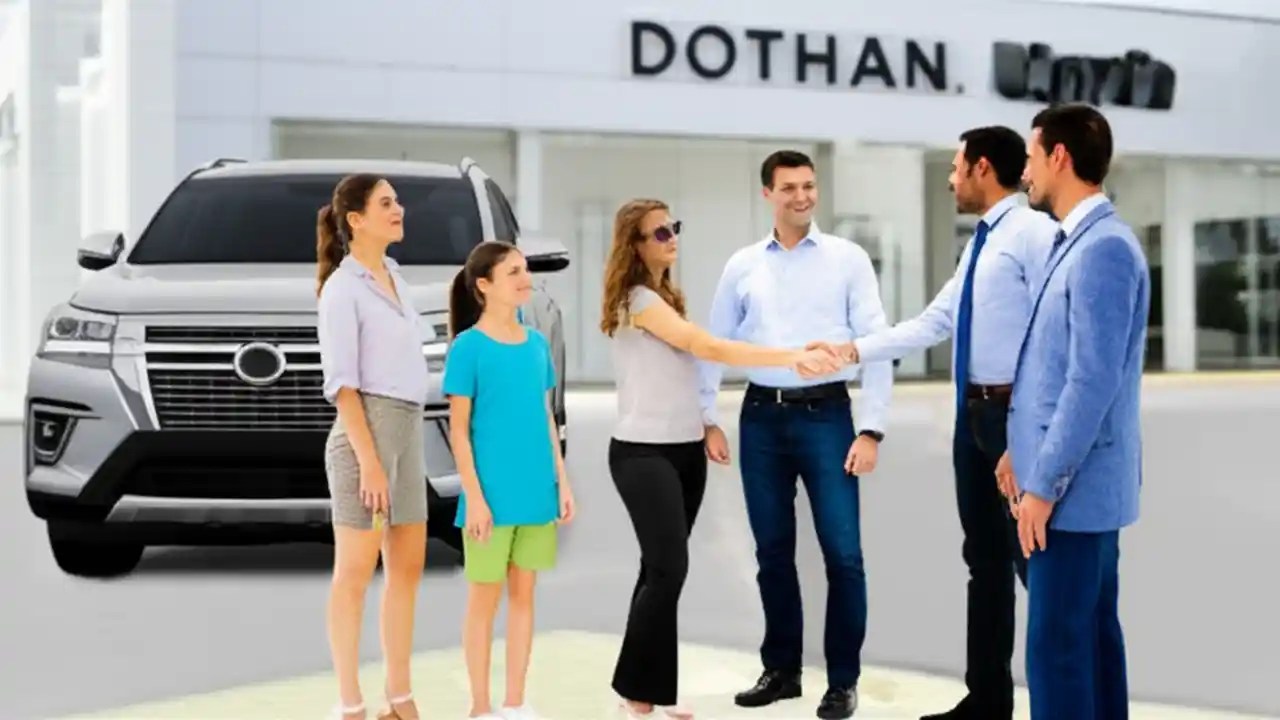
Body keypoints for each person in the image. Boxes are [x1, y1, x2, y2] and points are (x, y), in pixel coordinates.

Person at [835, 127, 1059, 720]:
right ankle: (986, 702)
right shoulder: (982, 243)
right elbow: (936, 322)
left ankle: (1065, 703)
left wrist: (1029, 428)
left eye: (957, 167)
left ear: (983, 168)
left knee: (1040, 569)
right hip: (975, 417)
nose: (951, 178)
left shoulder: (1036, 235)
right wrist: (852, 351)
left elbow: (1053, 334)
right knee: (984, 564)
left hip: (1016, 417)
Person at [600, 198, 843, 720]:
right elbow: (707, 347)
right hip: (643, 452)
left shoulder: (666, 295)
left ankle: (652, 690)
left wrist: (707, 422)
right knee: (667, 570)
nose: (671, 238)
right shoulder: (638, 299)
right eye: (659, 232)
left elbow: (682, 372)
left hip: (684, 449)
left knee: (659, 572)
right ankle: (635, 695)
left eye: (673, 228)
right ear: (635, 245)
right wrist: (790, 356)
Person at [698, 150, 895, 720]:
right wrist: (707, 416)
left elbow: (876, 344)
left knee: (844, 555)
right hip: (760, 418)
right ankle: (782, 670)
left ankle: (842, 681)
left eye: (809, 186)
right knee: (772, 553)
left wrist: (872, 428)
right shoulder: (743, 266)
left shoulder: (848, 260)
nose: (802, 196)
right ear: (768, 194)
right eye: (790, 188)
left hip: (828, 418)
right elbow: (714, 344)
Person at [1002, 103, 1149, 718]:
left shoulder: (1102, 250)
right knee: (1089, 639)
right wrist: (1020, 451)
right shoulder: (1082, 241)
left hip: (1072, 495)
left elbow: (1090, 383)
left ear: (1059, 156)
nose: (1025, 173)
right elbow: (1053, 371)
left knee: (1058, 650)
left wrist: (1044, 484)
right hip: (1067, 485)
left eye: (1031, 158)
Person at [443, 240, 576, 720]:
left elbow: (545, 417)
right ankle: (479, 707)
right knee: (484, 601)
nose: (526, 280)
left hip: (536, 491)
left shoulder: (537, 343)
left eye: (526, 271)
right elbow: (458, 431)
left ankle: (515, 702)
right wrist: (474, 499)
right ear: (484, 286)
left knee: (524, 597)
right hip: (490, 498)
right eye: (514, 273)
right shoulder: (468, 348)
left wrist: (562, 482)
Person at [316, 174, 430, 720]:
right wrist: (370, 463)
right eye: (386, 203)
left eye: (398, 201)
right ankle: (349, 705)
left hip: (407, 428)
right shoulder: (343, 289)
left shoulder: (396, 278)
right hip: (366, 438)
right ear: (355, 220)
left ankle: (400, 699)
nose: (398, 209)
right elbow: (342, 385)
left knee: (407, 568)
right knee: (355, 575)